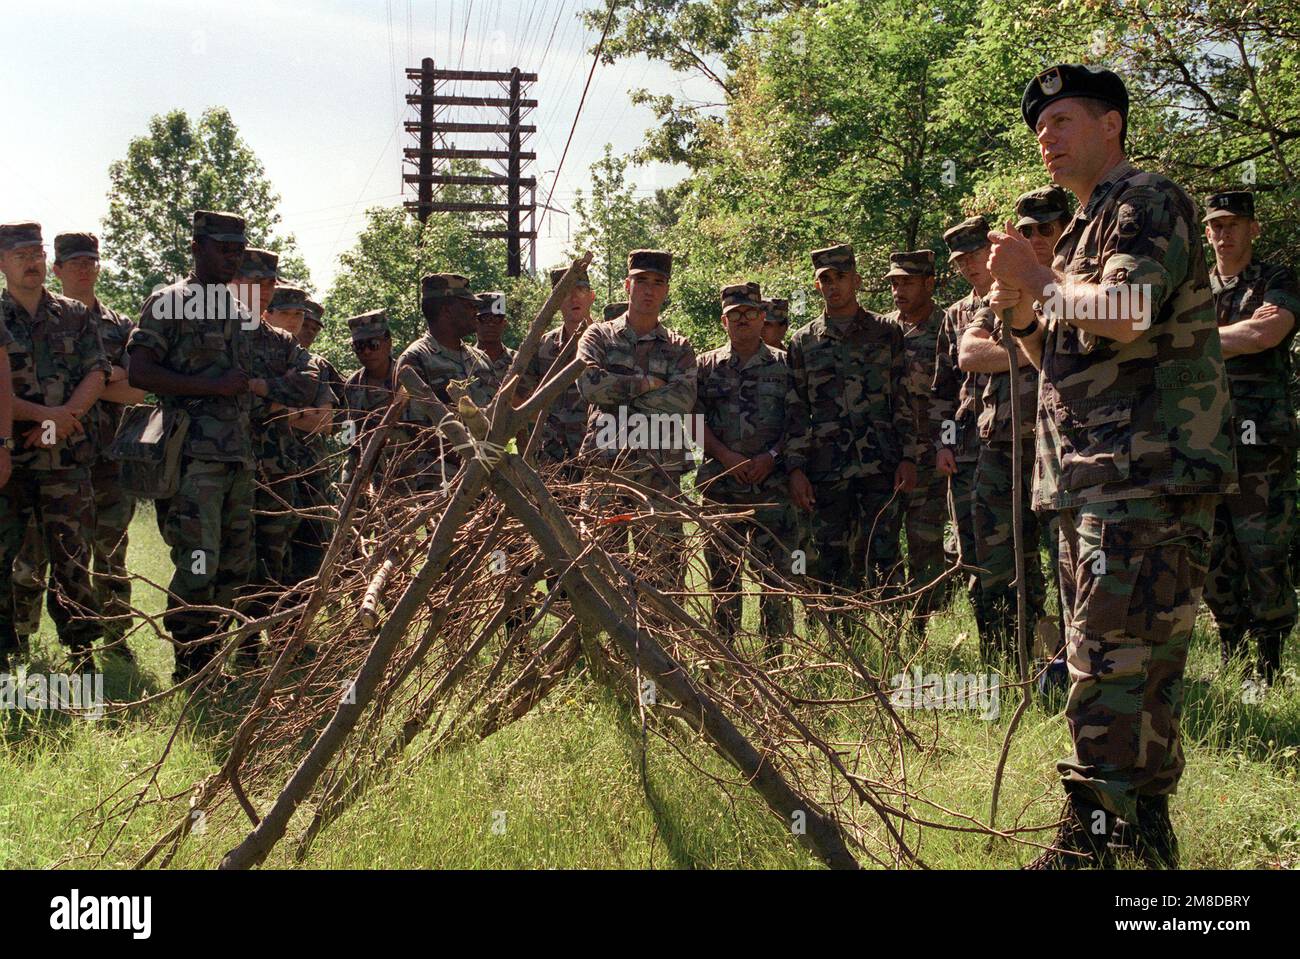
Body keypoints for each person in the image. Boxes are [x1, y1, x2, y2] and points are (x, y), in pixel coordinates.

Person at [989, 64, 1237, 868]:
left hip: (1143, 479)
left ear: (1111, 125)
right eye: (1040, 127)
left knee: (1105, 666)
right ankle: (1143, 841)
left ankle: (1089, 847)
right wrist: (1025, 310)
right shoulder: (1086, 228)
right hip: (1100, 481)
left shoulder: (1145, 201)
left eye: (1062, 120)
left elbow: (1127, 314)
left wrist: (1038, 279)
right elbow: (1053, 357)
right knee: (1130, 668)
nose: (1046, 137)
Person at [128, 211, 257, 683]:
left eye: (238, 249)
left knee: (235, 566)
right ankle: (190, 667)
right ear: (197, 247)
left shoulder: (240, 309)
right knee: (198, 562)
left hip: (238, 459)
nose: (232, 256)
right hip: (193, 460)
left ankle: (213, 659)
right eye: (223, 247)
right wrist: (209, 385)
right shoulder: (168, 302)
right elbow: (139, 372)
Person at [12, 232, 147, 657]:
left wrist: (74, 396)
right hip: (34, 456)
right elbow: (41, 393)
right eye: (75, 262)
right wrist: (74, 399)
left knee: (105, 557)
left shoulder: (116, 325)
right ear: (58, 269)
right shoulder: (27, 317)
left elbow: (137, 390)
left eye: (91, 260)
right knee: (29, 560)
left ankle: (113, 640)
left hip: (100, 458)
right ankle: (20, 641)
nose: (85, 268)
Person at [960, 191, 1068, 663]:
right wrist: (1038, 351)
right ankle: (1008, 660)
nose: (1037, 238)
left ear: (1066, 227)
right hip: (1003, 446)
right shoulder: (1005, 291)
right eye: (1027, 230)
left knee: (1068, 563)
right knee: (998, 560)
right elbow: (969, 353)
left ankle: (1064, 662)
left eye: (1047, 228)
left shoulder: (1080, 283)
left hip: (1064, 445)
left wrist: (1017, 347)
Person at [0, 221, 110, 671]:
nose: (33, 262)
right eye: (21, 255)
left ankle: (82, 655)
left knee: (71, 558)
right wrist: (47, 417)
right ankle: (6, 656)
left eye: (37, 253)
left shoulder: (75, 315)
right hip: (11, 458)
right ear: (3, 263)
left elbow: (97, 372)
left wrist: (66, 419)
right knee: (4, 556)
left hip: (65, 459)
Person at [1200, 190, 1299, 685]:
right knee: (1215, 555)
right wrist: (1235, 336)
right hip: (1203, 440)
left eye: (1234, 224)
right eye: (1215, 226)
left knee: (1263, 550)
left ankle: (1270, 666)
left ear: (1253, 229)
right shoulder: (1192, 286)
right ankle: (1232, 656)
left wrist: (1193, 340)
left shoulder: (1276, 279)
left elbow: (1266, 336)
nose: (1224, 234)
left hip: (1261, 440)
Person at [785, 242, 918, 599]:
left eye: (840, 277)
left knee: (884, 555)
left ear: (856, 280)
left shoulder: (886, 332)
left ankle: (893, 637)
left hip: (881, 463)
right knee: (831, 558)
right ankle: (841, 638)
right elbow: (797, 410)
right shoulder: (803, 342)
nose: (833, 285)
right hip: (827, 468)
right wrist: (796, 469)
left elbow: (902, 396)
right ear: (816, 285)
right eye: (824, 279)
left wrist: (908, 455)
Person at [577, 250, 697, 587]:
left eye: (657, 283)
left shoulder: (679, 347)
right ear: (627, 285)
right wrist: (645, 385)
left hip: (661, 475)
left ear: (666, 290)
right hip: (607, 468)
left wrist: (619, 393)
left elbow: (682, 400)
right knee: (601, 572)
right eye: (641, 281)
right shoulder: (598, 337)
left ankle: (661, 641)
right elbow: (588, 385)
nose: (649, 290)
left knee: (664, 574)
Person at [696, 283, 796, 658]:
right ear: (724, 320)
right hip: (722, 488)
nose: (743, 319)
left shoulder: (784, 365)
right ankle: (725, 655)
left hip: (774, 487)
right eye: (735, 314)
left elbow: (799, 421)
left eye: (750, 313)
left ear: (762, 317)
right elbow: (692, 418)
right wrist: (725, 456)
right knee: (723, 579)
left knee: (776, 577)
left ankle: (776, 656)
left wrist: (772, 455)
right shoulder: (705, 366)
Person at [243, 282, 326, 630]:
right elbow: (237, 393)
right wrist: (284, 402)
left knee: (289, 555)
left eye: (299, 315)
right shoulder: (243, 346)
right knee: (243, 556)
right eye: (286, 314)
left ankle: (284, 633)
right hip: (245, 466)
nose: (293, 322)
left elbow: (323, 419)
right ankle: (246, 641)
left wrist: (268, 400)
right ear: (267, 313)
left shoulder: (308, 361)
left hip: (293, 472)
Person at [933, 217, 996, 646]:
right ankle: (994, 647)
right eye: (961, 261)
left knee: (1021, 553)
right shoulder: (955, 315)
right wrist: (945, 443)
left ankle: (1043, 651)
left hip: (1018, 444)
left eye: (975, 256)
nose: (969, 267)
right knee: (972, 554)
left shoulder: (1025, 297)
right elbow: (943, 390)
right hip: (969, 453)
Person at [885, 250, 947, 634]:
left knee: (926, 544)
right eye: (894, 282)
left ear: (929, 282)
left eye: (907, 281)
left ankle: (921, 628)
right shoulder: (882, 331)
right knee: (885, 543)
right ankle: (887, 624)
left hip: (931, 457)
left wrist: (948, 445)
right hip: (888, 457)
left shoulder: (948, 326)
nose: (899, 290)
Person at [393, 274, 498, 494]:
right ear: (447, 310)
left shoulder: (480, 359)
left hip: (492, 479)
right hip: (444, 484)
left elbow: (498, 415)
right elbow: (418, 431)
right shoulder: (415, 360)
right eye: (468, 305)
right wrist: (474, 458)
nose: (475, 312)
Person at [288, 298, 345, 586]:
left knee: (310, 550)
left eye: (314, 327)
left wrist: (277, 411)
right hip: (267, 470)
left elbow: (327, 422)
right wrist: (304, 415)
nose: (308, 331)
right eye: (304, 323)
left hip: (311, 474)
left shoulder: (319, 367)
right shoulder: (260, 355)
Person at [519, 265, 596, 470]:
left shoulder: (608, 342)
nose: (573, 298)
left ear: (592, 296)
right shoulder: (543, 346)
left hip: (597, 452)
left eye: (580, 290)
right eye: (565, 293)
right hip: (551, 456)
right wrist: (549, 425)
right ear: (555, 302)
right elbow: (519, 397)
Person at [340, 309, 397, 489]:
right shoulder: (353, 385)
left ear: (388, 343)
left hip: (408, 468)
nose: (366, 351)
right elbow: (349, 437)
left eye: (373, 344)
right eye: (359, 346)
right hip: (367, 468)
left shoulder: (407, 377)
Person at [475, 291, 516, 382]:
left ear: (504, 323)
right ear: (474, 322)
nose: (491, 324)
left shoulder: (519, 361)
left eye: (497, 318)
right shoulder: (463, 360)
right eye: (484, 318)